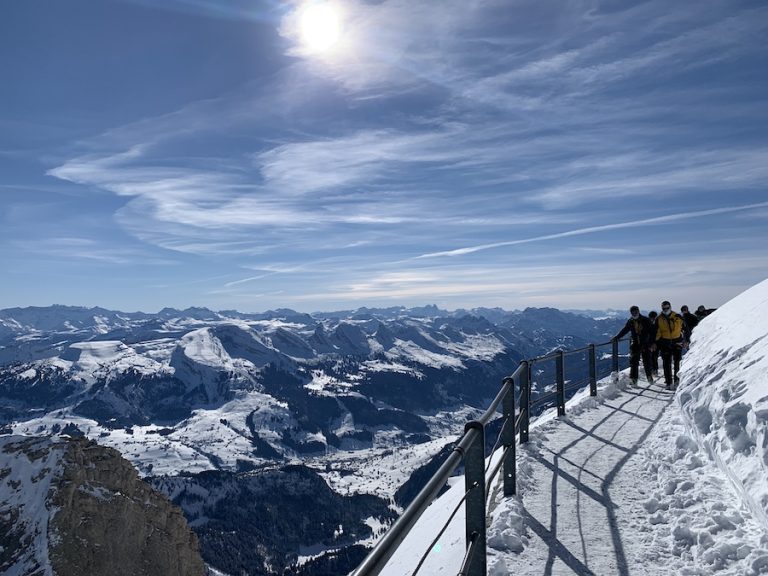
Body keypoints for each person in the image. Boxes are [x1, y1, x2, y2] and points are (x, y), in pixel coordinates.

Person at [614, 305, 655, 386]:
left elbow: (652, 332)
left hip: (645, 343)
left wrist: (652, 343)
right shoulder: (631, 321)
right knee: (633, 362)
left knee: (647, 361)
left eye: (635, 312)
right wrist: (617, 337)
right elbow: (625, 330)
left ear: (638, 311)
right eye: (633, 312)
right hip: (635, 343)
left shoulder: (646, 320)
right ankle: (634, 380)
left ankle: (649, 376)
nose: (634, 313)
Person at [656, 300, 685, 389]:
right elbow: (655, 331)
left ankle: (677, 380)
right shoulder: (659, 318)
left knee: (677, 362)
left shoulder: (677, 316)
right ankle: (668, 382)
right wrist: (655, 342)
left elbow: (685, 328)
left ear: (670, 307)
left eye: (667, 308)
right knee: (666, 363)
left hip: (677, 342)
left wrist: (686, 340)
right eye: (664, 308)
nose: (665, 309)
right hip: (665, 343)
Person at [647, 310, 660, 376]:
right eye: (651, 317)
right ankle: (653, 369)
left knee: (654, 356)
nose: (652, 319)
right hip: (651, 343)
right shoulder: (648, 324)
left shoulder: (657, 324)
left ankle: (654, 369)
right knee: (651, 357)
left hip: (655, 343)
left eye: (653, 317)